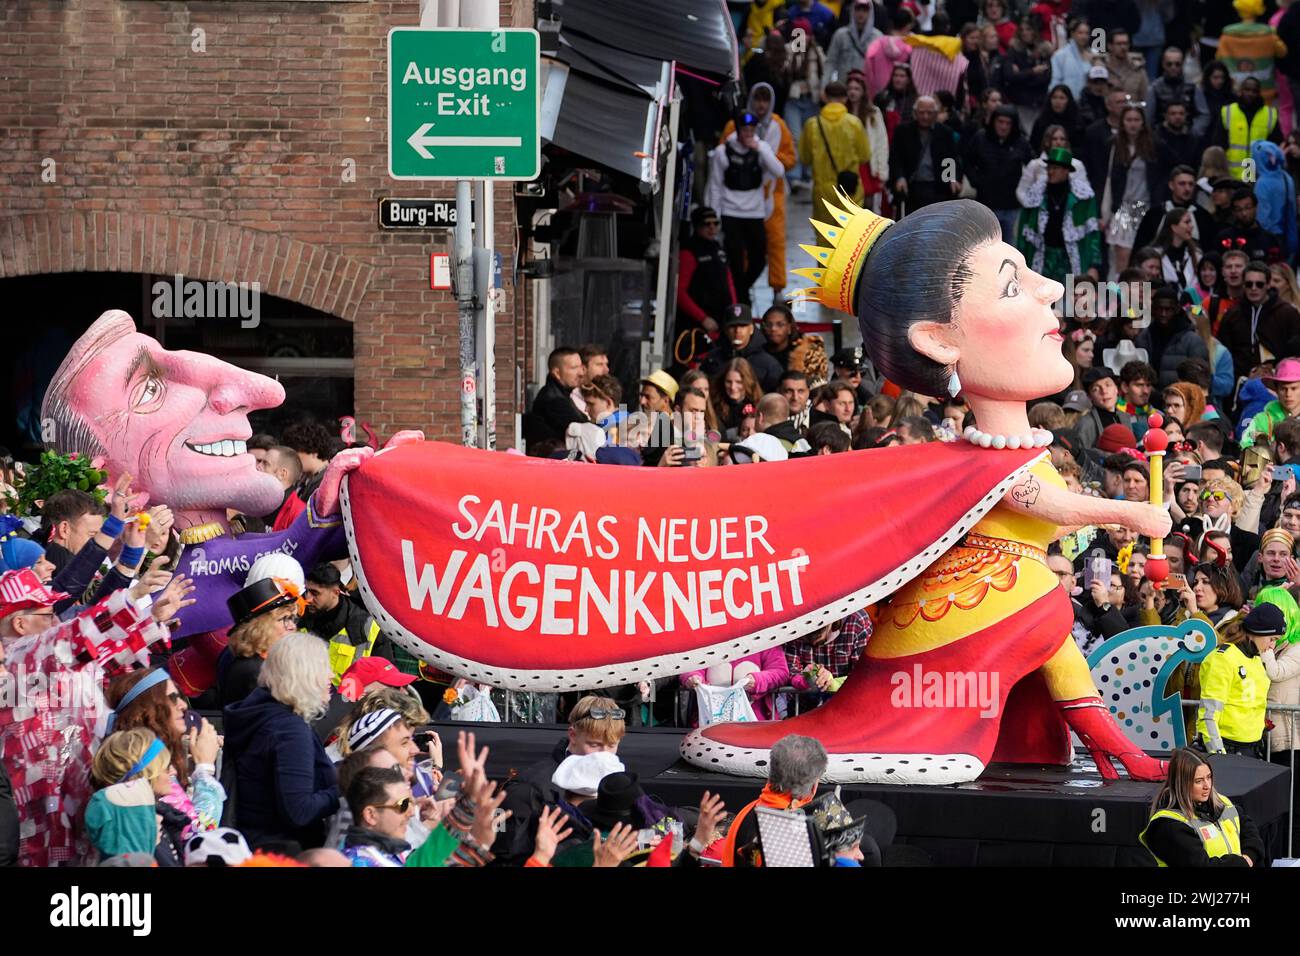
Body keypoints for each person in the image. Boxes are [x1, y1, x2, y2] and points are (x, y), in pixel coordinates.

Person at [692, 196, 1173, 784]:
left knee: (1054, 636)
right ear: (940, 341)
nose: (1049, 287)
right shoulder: (980, 462)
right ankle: (1112, 746)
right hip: (984, 598)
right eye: (1012, 286)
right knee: (1046, 617)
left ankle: (1108, 745)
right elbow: (1038, 502)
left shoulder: (1008, 451)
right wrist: (1130, 513)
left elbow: (1044, 508)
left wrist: (1122, 514)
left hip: (1015, 589)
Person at [223, 632, 339, 850]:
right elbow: (299, 812)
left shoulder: (259, 714)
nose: (331, 675)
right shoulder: (290, 731)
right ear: (305, 674)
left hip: (253, 844)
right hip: (283, 853)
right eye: (324, 667)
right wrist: (344, 788)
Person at [492, 695, 626, 866]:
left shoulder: (618, 783)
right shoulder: (529, 788)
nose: (604, 755)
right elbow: (503, 857)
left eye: (612, 746)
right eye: (595, 745)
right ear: (573, 735)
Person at [105, 667, 226, 841]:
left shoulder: (147, 753)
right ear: (147, 709)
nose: (183, 705)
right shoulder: (143, 762)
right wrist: (205, 768)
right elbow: (196, 837)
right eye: (172, 698)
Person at [721, 84, 798, 298]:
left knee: (775, 241)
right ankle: (742, 286)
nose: (761, 105)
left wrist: (770, 156)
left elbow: (791, 159)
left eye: (765, 100)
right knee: (741, 244)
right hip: (740, 195)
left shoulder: (778, 126)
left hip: (773, 193)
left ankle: (777, 289)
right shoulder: (734, 125)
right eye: (757, 99)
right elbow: (720, 159)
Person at [707, 112, 786, 305]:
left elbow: (779, 171)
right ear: (738, 130)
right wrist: (714, 215)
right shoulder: (722, 152)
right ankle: (741, 300)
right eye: (745, 130)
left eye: (752, 130)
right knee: (734, 258)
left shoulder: (762, 148)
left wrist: (759, 148)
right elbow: (715, 186)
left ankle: (741, 289)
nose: (748, 133)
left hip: (755, 212)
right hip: (730, 211)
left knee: (759, 258)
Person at [1139, 746, 1265, 866]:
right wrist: (1242, 863)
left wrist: (1249, 856)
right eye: (1198, 781)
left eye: (1209, 777)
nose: (1207, 786)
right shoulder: (1168, 825)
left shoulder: (1222, 802)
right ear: (1181, 784)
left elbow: (1251, 833)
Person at [1197, 603, 1284, 757]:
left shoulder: (1256, 659)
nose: (1272, 645)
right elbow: (1209, 713)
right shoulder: (1222, 658)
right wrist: (1216, 752)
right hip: (1226, 747)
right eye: (1271, 639)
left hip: (1252, 748)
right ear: (1258, 631)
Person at [1015, 146, 1102, 286]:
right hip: (1042, 258)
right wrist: (1019, 264)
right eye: (1048, 168)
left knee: (1072, 301)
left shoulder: (1083, 197)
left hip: (1070, 259)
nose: (1050, 172)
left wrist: (1094, 265)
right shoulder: (1035, 195)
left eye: (1055, 168)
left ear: (1066, 170)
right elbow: (1023, 232)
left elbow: (1093, 235)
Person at [216, 575, 304, 707]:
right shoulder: (253, 671)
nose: (292, 626)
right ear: (261, 626)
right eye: (284, 618)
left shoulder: (267, 659)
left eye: (292, 618)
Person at [300, 562, 389, 684]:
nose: (308, 599)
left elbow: (385, 679)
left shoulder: (367, 627)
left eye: (315, 593)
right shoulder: (296, 617)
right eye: (307, 591)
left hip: (349, 701)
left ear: (336, 592)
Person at [1102, 105, 1160, 277]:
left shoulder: (1154, 145)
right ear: (1122, 123)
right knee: (1122, 259)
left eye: (1136, 120)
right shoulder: (1113, 145)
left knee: (1144, 258)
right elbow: (1105, 178)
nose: (1133, 124)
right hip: (1124, 208)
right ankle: (1119, 300)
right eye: (1129, 120)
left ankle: (1142, 298)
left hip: (1147, 208)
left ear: (1143, 123)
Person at [800, 81, 871, 219]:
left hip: (822, 190)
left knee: (825, 235)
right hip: (849, 188)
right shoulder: (854, 123)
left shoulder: (812, 125)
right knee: (851, 234)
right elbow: (865, 156)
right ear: (845, 99)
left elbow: (805, 158)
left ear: (824, 97)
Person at [1220, 260, 1300, 377]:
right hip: (1240, 381)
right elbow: (1225, 352)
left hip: (1278, 381)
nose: (1253, 288)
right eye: (1249, 284)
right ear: (1243, 285)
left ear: (1268, 285)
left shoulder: (1287, 313)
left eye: (1259, 284)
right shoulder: (1232, 314)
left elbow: (1295, 349)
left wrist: (1276, 368)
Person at [965, 105, 1032, 242]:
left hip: (1011, 204)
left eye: (1008, 123)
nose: (1004, 127)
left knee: (1009, 246)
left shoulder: (1020, 142)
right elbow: (966, 161)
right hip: (986, 203)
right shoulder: (980, 138)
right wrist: (976, 181)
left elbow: (1032, 166)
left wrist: (1025, 190)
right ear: (993, 122)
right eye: (1000, 122)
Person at [889, 95, 962, 217]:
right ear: (915, 113)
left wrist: (952, 178)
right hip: (911, 188)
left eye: (929, 113)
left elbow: (951, 158)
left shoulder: (945, 132)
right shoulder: (903, 131)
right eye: (921, 112)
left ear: (936, 114)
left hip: (937, 187)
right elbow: (896, 158)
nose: (925, 116)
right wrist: (899, 177)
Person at [681, 647, 792, 722]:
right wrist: (693, 677)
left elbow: (781, 672)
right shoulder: (708, 639)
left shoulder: (768, 639)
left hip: (757, 720)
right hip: (710, 719)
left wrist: (757, 680)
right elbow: (691, 665)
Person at [1135, 285, 1209, 388]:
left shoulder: (1192, 341)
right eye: (1159, 309)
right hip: (1148, 397)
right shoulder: (1143, 338)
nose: (1163, 314)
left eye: (1168, 309)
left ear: (1177, 309)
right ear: (1153, 309)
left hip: (1180, 399)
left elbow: (1201, 380)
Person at [700, 305, 784, 393]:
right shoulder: (712, 360)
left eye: (742, 326)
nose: (737, 331)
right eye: (732, 326)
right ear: (725, 329)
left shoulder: (769, 364)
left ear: (751, 329)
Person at [1213, 76, 1283, 180]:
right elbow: (1219, 142)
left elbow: (1275, 144)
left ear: (1259, 93)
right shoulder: (1228, 112)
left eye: (1254, 91)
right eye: (1247, 90)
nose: (1250, 94)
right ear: (1241, 91)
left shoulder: (1270, 115)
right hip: (1231, 174)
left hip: (1259, 176)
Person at [1133, 166, 1219, 251]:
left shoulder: (1203, 217)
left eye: (1191, 184)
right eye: (1182, 184)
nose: (1187, 188)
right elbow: (1140, 249)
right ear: (1171, 185)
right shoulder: (1154, 215)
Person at [524, 348, 590, 448]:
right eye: (574, 368)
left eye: (580, 367)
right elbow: (585, 432)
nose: (581, 373)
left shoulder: (561, 395)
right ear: (557, 373)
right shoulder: (554, 401)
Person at [1147, 46, 1211, 140]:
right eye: (1169, 64)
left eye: (1177, 64)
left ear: (1182, 64)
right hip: (1162, 139)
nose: (1173, 67)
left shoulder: (1193, 87)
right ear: (1163, 64)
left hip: (1188, 138)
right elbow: (1148, 118)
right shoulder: (1154, 88)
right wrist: (1156, 136)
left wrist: (1194, 131)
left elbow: (1204, 114)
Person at [1003, 17, 1053, 133]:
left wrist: (1021, 74)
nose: (1025, 33)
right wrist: (1033, 72)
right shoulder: (1013, 51)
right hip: (1020, 102)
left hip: (1039, 102)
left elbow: (1045, 78)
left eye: (1028, 29)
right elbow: (1009, 76)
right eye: (1022, 30)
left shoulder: (1044, 51)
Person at [1242, 358, 1300, 449]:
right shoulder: (1262, 420)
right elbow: (1246, 444)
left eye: (1293, 388)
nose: (1288, 394)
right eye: (1283, 389)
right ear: (1276, 390)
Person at [1217, 187, 1284, 263]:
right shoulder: (1225, 239)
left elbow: (1276, 268)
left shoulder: (1269, 240)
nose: (1244, 213)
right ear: (1233, 212)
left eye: (1248, 208)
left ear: (1256, 207)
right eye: (1239, 209)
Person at [825, 0, 881, 87]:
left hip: (867, 88)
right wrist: (825, 85)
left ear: (870, 12)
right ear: (852, 11)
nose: (861, 13)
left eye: (865, 10)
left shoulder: (878, 37)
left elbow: (880, 67)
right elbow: (831, 62)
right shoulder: (840, 34)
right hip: (843, 87)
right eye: (858, 9)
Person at [1103, 27, 1149, 105]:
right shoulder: (1102, 70)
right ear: (1110, 46)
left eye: (1125, 43)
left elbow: (1145, 98)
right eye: (1119, 44)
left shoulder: (1138, 70)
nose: (1123, 47)